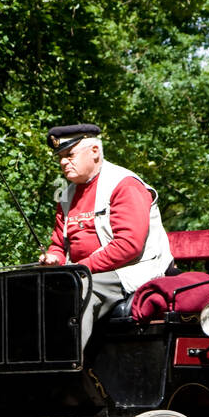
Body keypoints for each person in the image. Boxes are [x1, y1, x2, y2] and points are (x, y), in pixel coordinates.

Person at [38, 123, 173, 344]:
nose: (63, 162)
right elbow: (58, 245)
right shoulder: (65, 194)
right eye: (60, 157)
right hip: (84, 272)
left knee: (77, 292)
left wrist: (80, 269)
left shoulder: (124, 184)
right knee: (29, 287)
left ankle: (65, 368)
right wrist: (54, 259)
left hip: (133, 271)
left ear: (94, 152)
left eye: (69, 154)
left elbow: (128, 246)